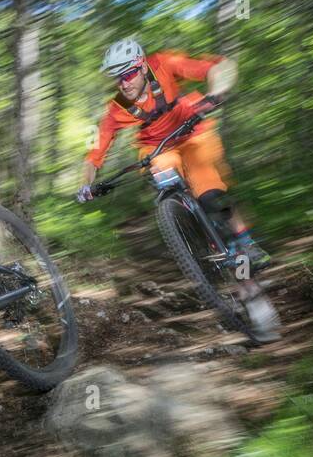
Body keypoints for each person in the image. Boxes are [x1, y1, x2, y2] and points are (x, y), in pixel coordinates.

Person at [78, 37, 280, 338]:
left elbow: (216, 68)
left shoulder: (164, 64)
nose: (123, 83)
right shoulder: (116, 108)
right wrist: (86, 185)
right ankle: (186, 220)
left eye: (128, 74)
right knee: (162, 173)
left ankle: (245, 245)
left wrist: (215, 93)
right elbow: (95, 152)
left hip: (194, 132)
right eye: (117, 78)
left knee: (212, 195)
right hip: (158, 148)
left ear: (142, 67)